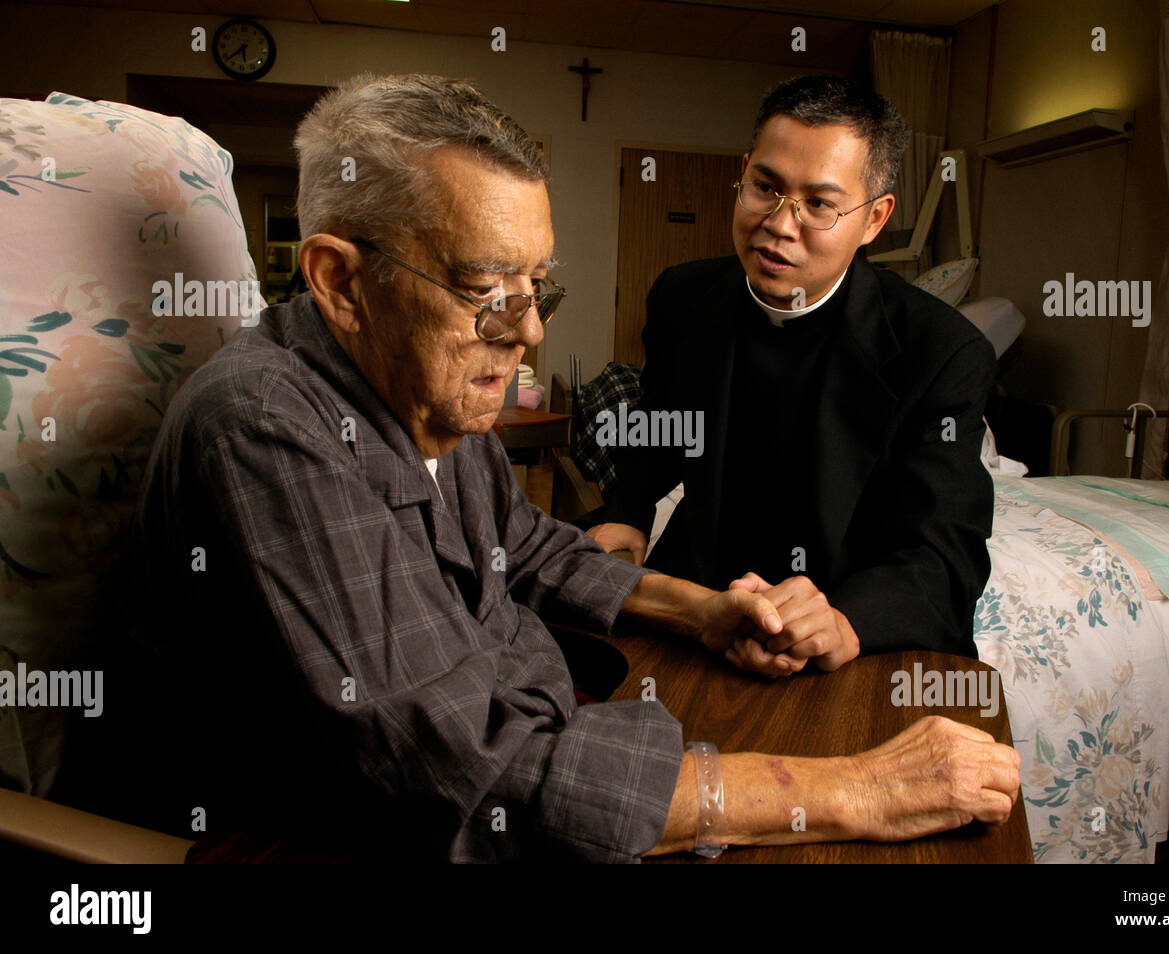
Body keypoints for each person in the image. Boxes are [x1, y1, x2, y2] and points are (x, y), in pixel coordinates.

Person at [130, 74, 1019, 862]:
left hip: (545, 731)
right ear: (340, 281)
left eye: (537, 286)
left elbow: (526, 545)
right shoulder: (262, 425)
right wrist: (850, 792)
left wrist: (701, 609)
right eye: (487, 292)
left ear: (874, 219)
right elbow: (473, 773)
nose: (529, 334)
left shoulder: (423, 370)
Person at [588, 75, 996, 671]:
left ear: (875, 219)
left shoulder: (941, 350)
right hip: (698, 597)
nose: (780, 224)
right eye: (765, 187)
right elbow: (660, 429)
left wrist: (845, 621)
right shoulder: (684, 296)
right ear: (745, 171)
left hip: (843, 620)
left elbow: (945, 555)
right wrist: (626, 508)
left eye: (820, 205)